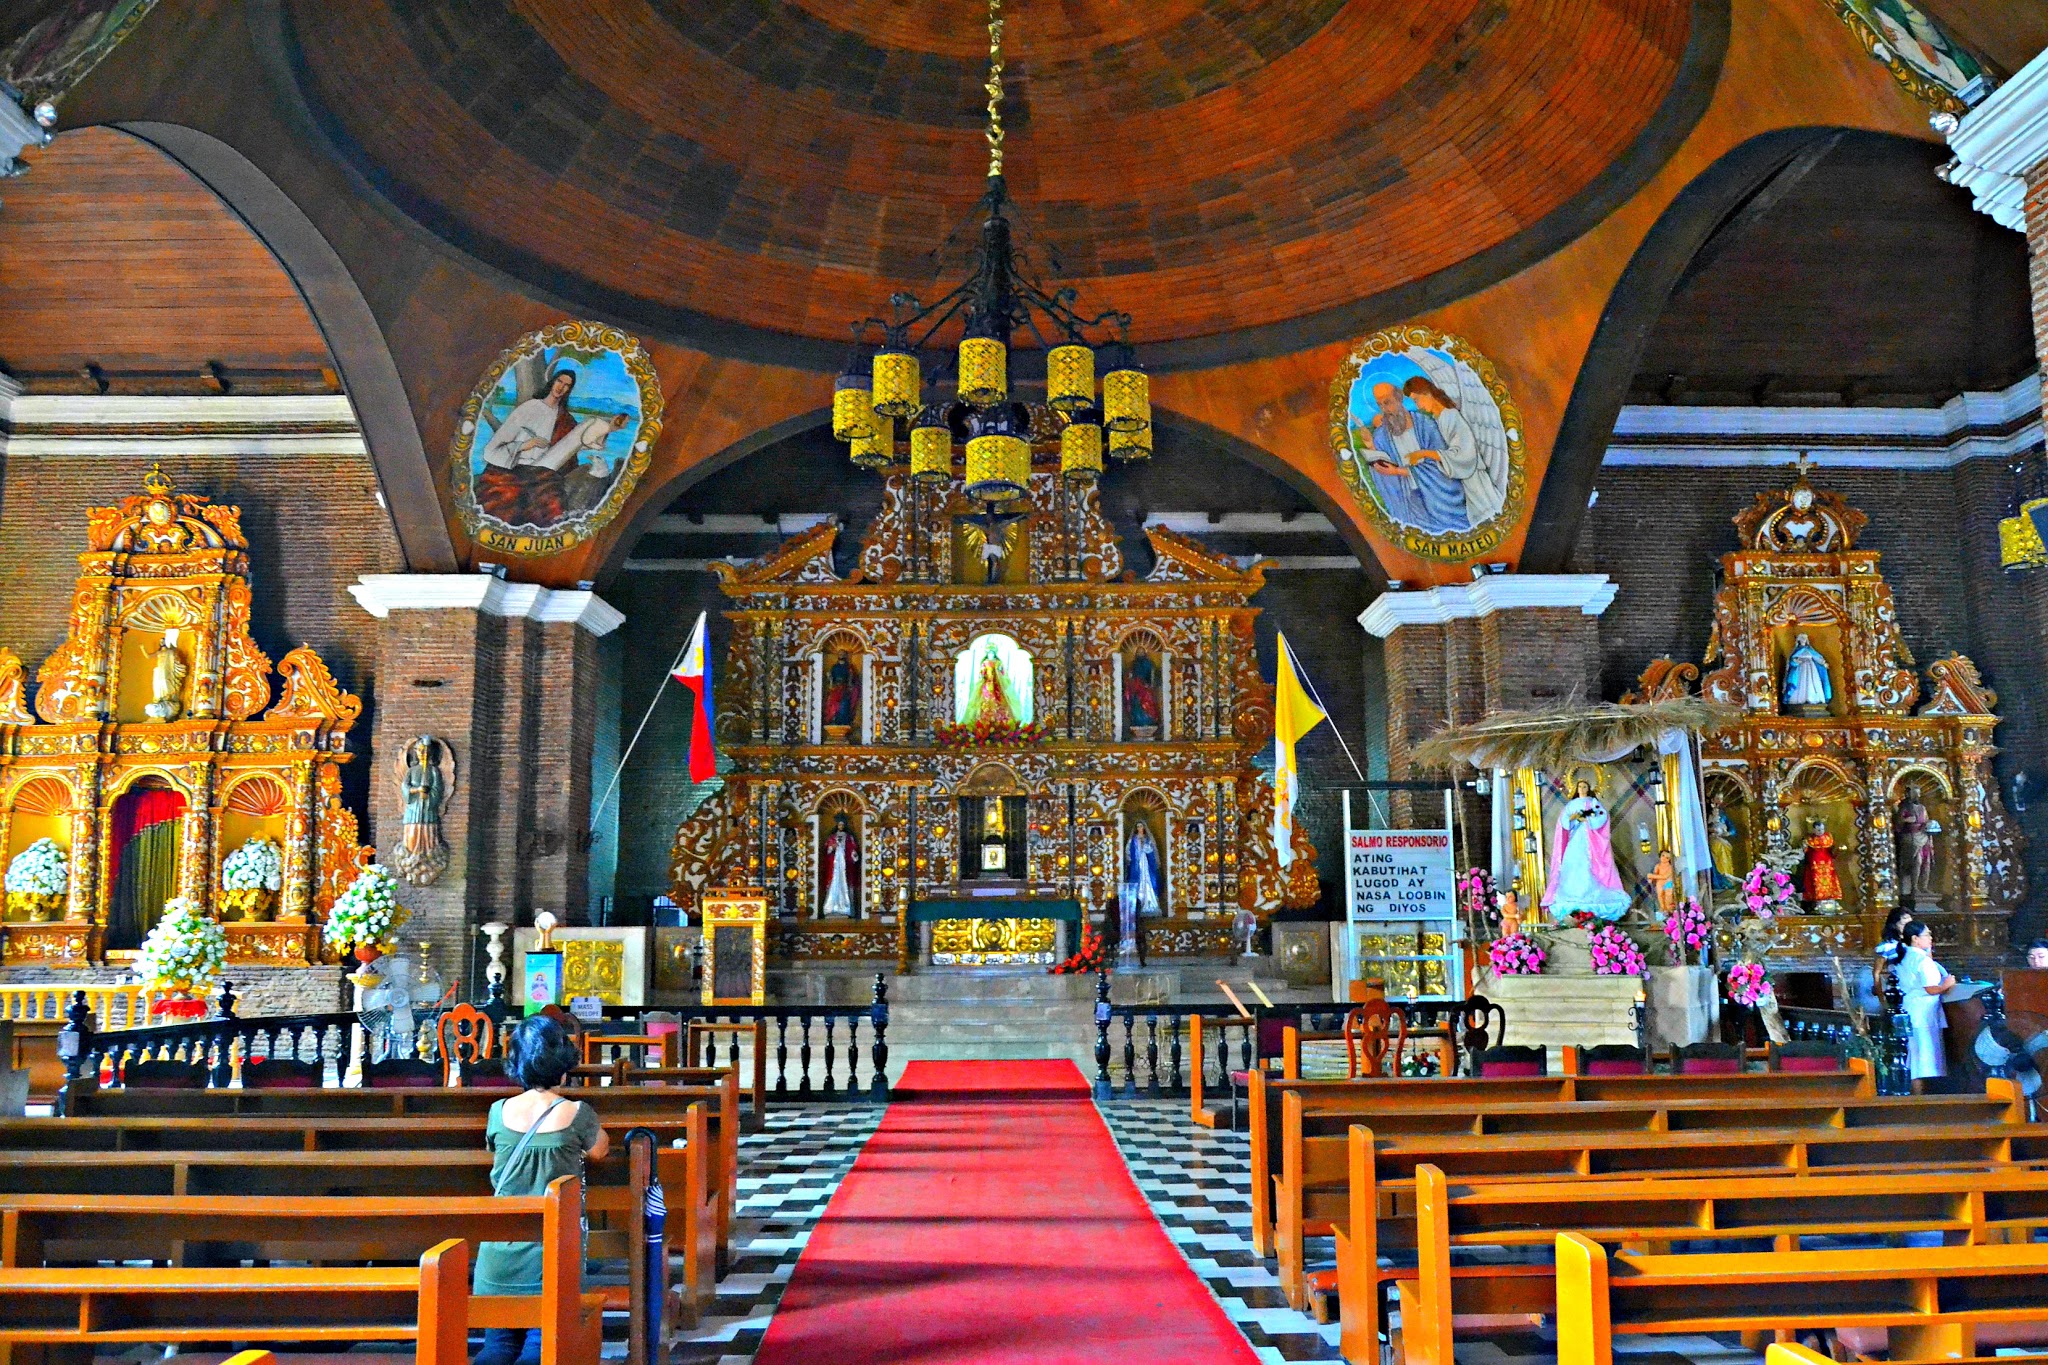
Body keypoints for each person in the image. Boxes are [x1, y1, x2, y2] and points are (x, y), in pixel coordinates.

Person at [472, 1015, 610, 1365]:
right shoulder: (577, 1113)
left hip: (499, 1253)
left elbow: (496, 1149)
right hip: (551, 1255)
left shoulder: (497, 1111)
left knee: (498, 1348)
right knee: (541, 1346)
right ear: (564, 1066)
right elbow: (599, 1150)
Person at [1541, 779, 1632, 921]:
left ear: (1589, 788)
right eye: (1580, 786)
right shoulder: (1571, 805)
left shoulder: (1593, 803)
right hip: (1575, 839)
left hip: (1590, 841)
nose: (1582, 789)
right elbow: (1564, 822)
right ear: (1576, 789)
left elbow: (1602, 817)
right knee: (1573, 865)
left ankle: (1593, 896)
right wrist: (1574, 819)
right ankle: (1573, 897)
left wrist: (1588, 820)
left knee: (1589, 865)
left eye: (1585, 786)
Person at [1895, 919, 1956, 1093]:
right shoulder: (1922, 961)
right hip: (1923, 1014)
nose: (1930, 938)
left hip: (1910, 1010)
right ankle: (1924, 1097)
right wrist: (1947, 984)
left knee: (1915, 1057)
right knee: (1925, 1059)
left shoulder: (1904, 957)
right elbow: (1930, 988)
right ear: (1915, 938)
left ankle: (1917, 1095)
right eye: (1927, 935)